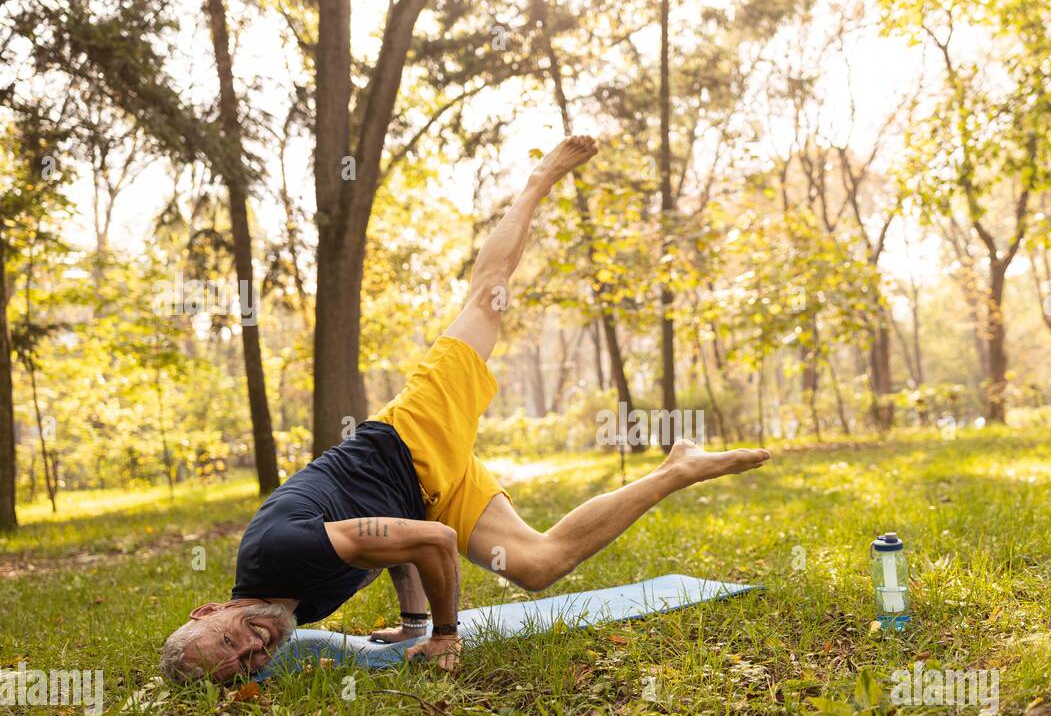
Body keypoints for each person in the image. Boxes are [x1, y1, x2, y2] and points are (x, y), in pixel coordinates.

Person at [160, 136, 771, 683]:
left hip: (413, 439)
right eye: (243, 666)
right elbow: (387, 537)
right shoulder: (283, 608)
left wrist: (444, 636)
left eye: (231, 641)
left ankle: (539, 178)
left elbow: (431, 541)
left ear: (210, 610)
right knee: (537, 565)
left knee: (488, 300)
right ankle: (678, 468)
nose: (253, 650)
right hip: (426, 491)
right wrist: (411, 622)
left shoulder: (276, 557)